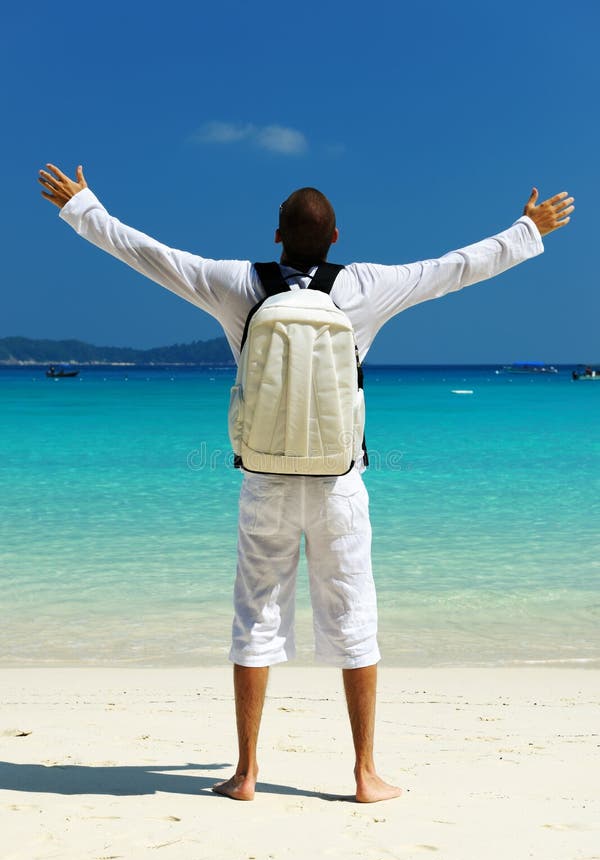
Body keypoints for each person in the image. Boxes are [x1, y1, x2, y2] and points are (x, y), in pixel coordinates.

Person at [39, 163, 574, 802]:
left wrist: (83, 207)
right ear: (337, 238)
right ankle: (364, 774)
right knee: (354, 616)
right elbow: (455, 267)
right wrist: (527, 229)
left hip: (264, 478)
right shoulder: (368, 286)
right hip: (338, 483)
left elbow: (145, 252)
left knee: (256, 616)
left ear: (276, 236)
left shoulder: (235, 283)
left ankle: (245, 773)